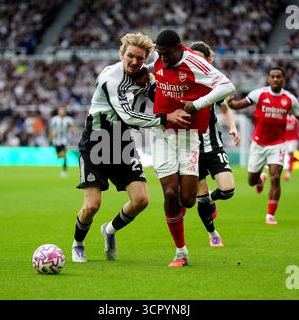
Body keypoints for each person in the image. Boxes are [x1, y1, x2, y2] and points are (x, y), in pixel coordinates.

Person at [72, 33, 191, 263]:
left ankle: (110, 230)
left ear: (146, 58)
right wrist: (166, 118)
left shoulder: (147, 76)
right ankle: (78, 244)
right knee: (92, 204)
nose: (134, 62)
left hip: (122, 141)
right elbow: (127, 115)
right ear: (122, 54)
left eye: (140, 58)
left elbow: (163, 97)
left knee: (141, 200)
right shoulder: (110, 77)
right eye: (130, 56)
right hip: (96, 142)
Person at [151, 30, 235, 267]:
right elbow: (150, 68)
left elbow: (227, 86)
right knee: (169, 193)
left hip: (189, 137)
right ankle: (181, 252)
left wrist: (197, 104)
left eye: (166, 54)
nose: (163, 59)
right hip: (163, 134)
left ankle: (185, 213)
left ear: (179, 47)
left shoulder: (194, 62)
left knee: (187, 199)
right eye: (160, 53)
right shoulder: (159, 58)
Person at [226, 67, 299, 225]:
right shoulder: (259, 94)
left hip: (277, 144)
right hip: (258, 143)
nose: (275, 79)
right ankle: (259, 180)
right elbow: (239, 105)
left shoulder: (290, 99)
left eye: (278, 77)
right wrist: (231, 103)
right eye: (272, 77)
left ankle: (270, 215)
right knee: (251, 181)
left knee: (276, 177)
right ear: (268, 79)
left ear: (283, 79)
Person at [189, 41, 240, 248]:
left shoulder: (213, 83)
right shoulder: (183, 83)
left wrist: (233, 127)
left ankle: (209, 198)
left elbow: (225, 108)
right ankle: (212, 234)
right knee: (200, 198)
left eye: (201, 58)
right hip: (191, 149)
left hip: (213, 144)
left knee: (228, 190)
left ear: (208, 60)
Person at [50, 106, 75, 178]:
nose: (62, 112)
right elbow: (51, 129)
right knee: (58, 156)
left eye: (63, 111)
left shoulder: (69, 119)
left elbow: (73, 127)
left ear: (65, 112)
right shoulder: (54, 119)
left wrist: (71, 129)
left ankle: (64, 170)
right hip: (56, 140)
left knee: (64, 155)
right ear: (58, 111)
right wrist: (52, 134)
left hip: (65, 139)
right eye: (60, 111)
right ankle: (62, 158)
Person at [283, 114, 299, 180]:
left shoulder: (295, 119)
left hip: (293, 140)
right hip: (285, 140)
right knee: (287, 156)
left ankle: (288, 174)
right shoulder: (283, 118)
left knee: (290, 156)